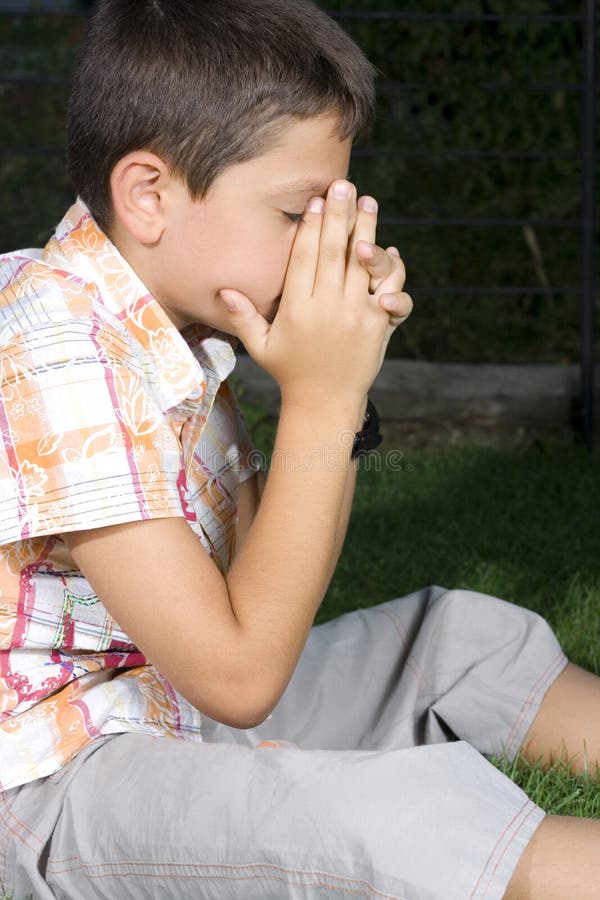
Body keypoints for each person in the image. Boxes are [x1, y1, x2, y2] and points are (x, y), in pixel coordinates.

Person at [0, 1, 599, 897]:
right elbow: (240, 676)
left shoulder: (172, 324)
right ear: (149, 196)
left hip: (166, 708)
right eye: (298, 212)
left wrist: (341, 394)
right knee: (375, 816)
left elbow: (259, 579)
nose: (331, 241)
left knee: (456, 638)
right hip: (48, 791)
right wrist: (322, 397)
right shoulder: (50, 347)